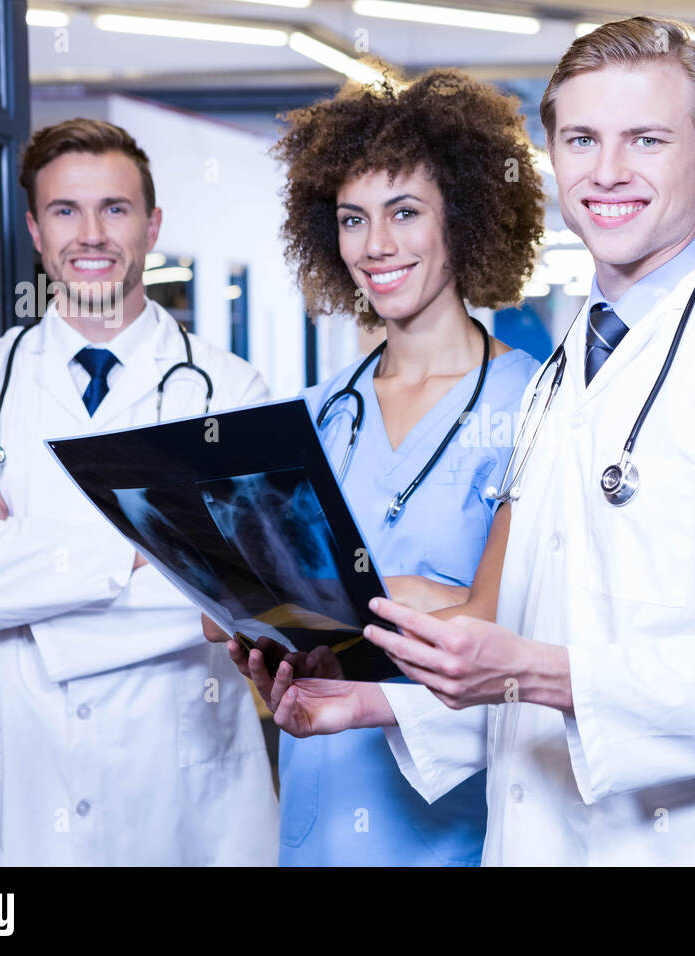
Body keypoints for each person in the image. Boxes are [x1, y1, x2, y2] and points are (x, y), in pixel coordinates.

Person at [260, 17, 695, 866]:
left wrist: (536, 673)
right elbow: (532, 631)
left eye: (646, 139)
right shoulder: (562, 373)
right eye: (581, 139)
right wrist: (370, 706)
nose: (607, 171)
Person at [0, 118, 278, 865]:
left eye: (115, 208)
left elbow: (246, 587)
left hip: (177, 787)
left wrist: (22, 569)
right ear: (35, 233)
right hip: (16, 777)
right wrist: (154, 549)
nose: (92, 234)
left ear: (153, 226)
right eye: (65, 211)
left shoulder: (231, 390)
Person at [207, 70, 543, 866]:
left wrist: (338, 611)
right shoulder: (317, 415)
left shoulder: (534, 406)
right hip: (316, 797)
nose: (375, 246)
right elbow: (237, 599)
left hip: (447, 822)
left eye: (404, 213)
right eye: (353, 219)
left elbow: (512, 625)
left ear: (462, 222)